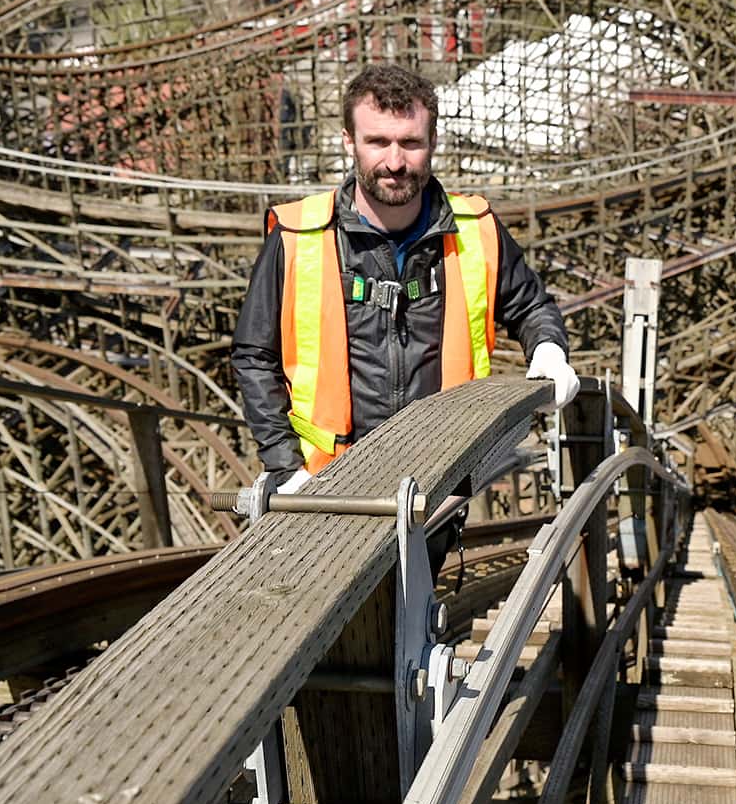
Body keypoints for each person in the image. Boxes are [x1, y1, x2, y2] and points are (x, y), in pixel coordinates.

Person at [233, 63, 579, 500]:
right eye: (377, 142)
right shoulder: (298, 234)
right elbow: (254, 356)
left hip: (440, 479)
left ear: (433, 142)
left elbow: (530, 307)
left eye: (410, 143)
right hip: (326, 485)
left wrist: (548, 348)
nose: (394, 161)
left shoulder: (474, 229)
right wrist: (285, 467)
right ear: (349, 142)